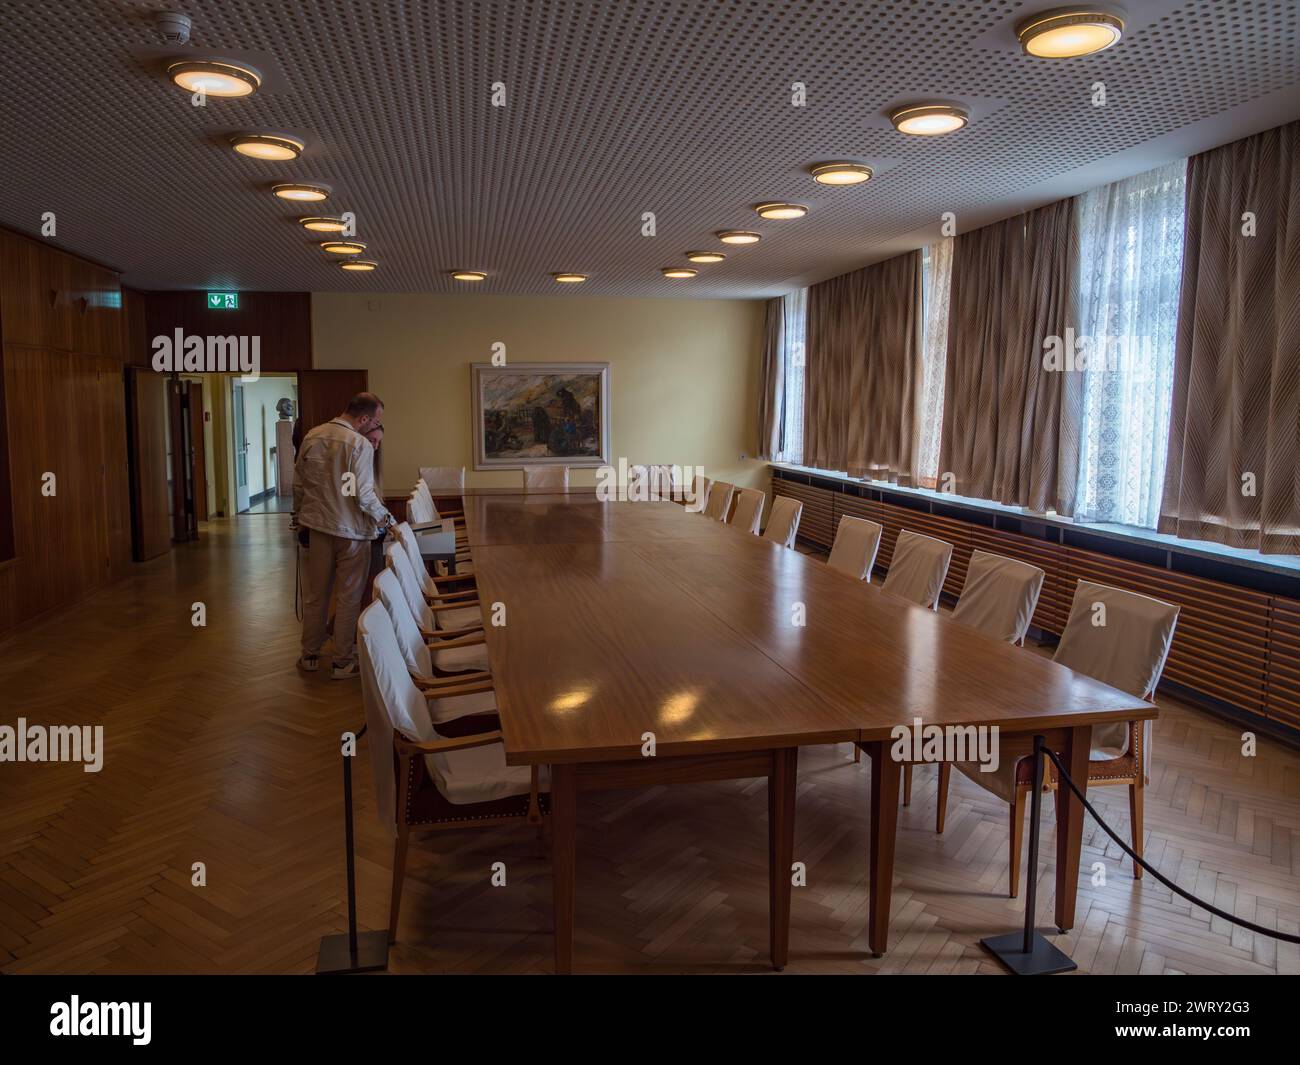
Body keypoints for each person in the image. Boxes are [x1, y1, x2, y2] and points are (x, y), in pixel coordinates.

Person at [292, 392, 394, 678]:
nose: (374, 425)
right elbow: (364, 496)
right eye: (376, 420)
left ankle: (309, 655)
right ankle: (341, 662)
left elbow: (298, 483)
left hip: (317, 528)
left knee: (316, 595)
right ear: (364, 418)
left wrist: (299, 520)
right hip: (352, 532)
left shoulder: (313, 435)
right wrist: (388, 520)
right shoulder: (359, 444)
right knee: (348, 597)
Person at [360, 423, 388, 607]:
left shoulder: (371, 463)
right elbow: (364, 499)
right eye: (372, 440)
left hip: (373, 532)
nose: (375, 446)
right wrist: (387, 522)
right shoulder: (358, 462)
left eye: (378, 442)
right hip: (363, 535)